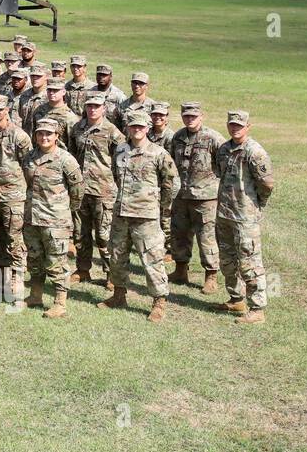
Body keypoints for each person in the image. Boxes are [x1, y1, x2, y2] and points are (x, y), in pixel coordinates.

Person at [98, 109, 179, 322]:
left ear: (148, 128)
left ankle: (159, 302)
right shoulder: (121, 150)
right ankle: (118, 295)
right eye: (133, 126)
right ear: (127, 128)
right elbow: (116, 177)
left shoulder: (159, 153)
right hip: (122, 213)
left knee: (152, 259)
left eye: (141, 127)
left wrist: (162, 207)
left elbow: (171, 184)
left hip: (146, 216)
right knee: (116, 256)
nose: (137, 130)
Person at [214, 111, 275, 324]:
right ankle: (236, 298)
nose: (235, 128)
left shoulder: (254, 152)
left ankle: (257, 308)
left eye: (239, 125)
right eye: (232, 124)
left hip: (245, 217)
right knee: (227, 260)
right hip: (224, 215)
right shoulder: (224, 149)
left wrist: (257, 204)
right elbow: (219, 174)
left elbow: (266, 184)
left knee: (249, 262)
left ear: (248, 126)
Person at [22, 118, 84, 318]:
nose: (44, 137)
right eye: (40, 133)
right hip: (32, 218)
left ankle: (60, 303)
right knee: (34, 259)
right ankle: (35, 295)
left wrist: (65, 210)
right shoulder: (30, 156)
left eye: (49, 134)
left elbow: (77, 191)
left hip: (55, 220)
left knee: (56, 262)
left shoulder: (65, 159)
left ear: (57, 136)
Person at [0, 95, 32, 307]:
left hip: (13, 195)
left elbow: (28, 165)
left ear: (7, 110)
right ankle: (1, 272)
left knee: (14, 237)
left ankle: (17, 275)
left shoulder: (19, 136)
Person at [167, 101, 223, 294]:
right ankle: (180, 270)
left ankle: (211, 276)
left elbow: (224, 164)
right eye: (186, 116)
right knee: (179, 234)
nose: (190, 119)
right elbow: (172, 163)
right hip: (182, 195)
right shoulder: (178, 137)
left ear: (201, 116)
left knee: (206, 237)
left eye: (193, 116)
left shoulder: (213, 138)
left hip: (206, 198)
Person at [70, 94, 124, 284]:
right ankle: (83, 270)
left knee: (104, 235)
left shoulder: (112, 131)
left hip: (103, 191)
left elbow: (122, 158)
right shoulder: (78, 128)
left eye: (96, 106)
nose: (92, 109)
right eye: (89, 106)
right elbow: (73, 155)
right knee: (81, 233)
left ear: (103, 108)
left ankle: (111, 274)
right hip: (81, 190)